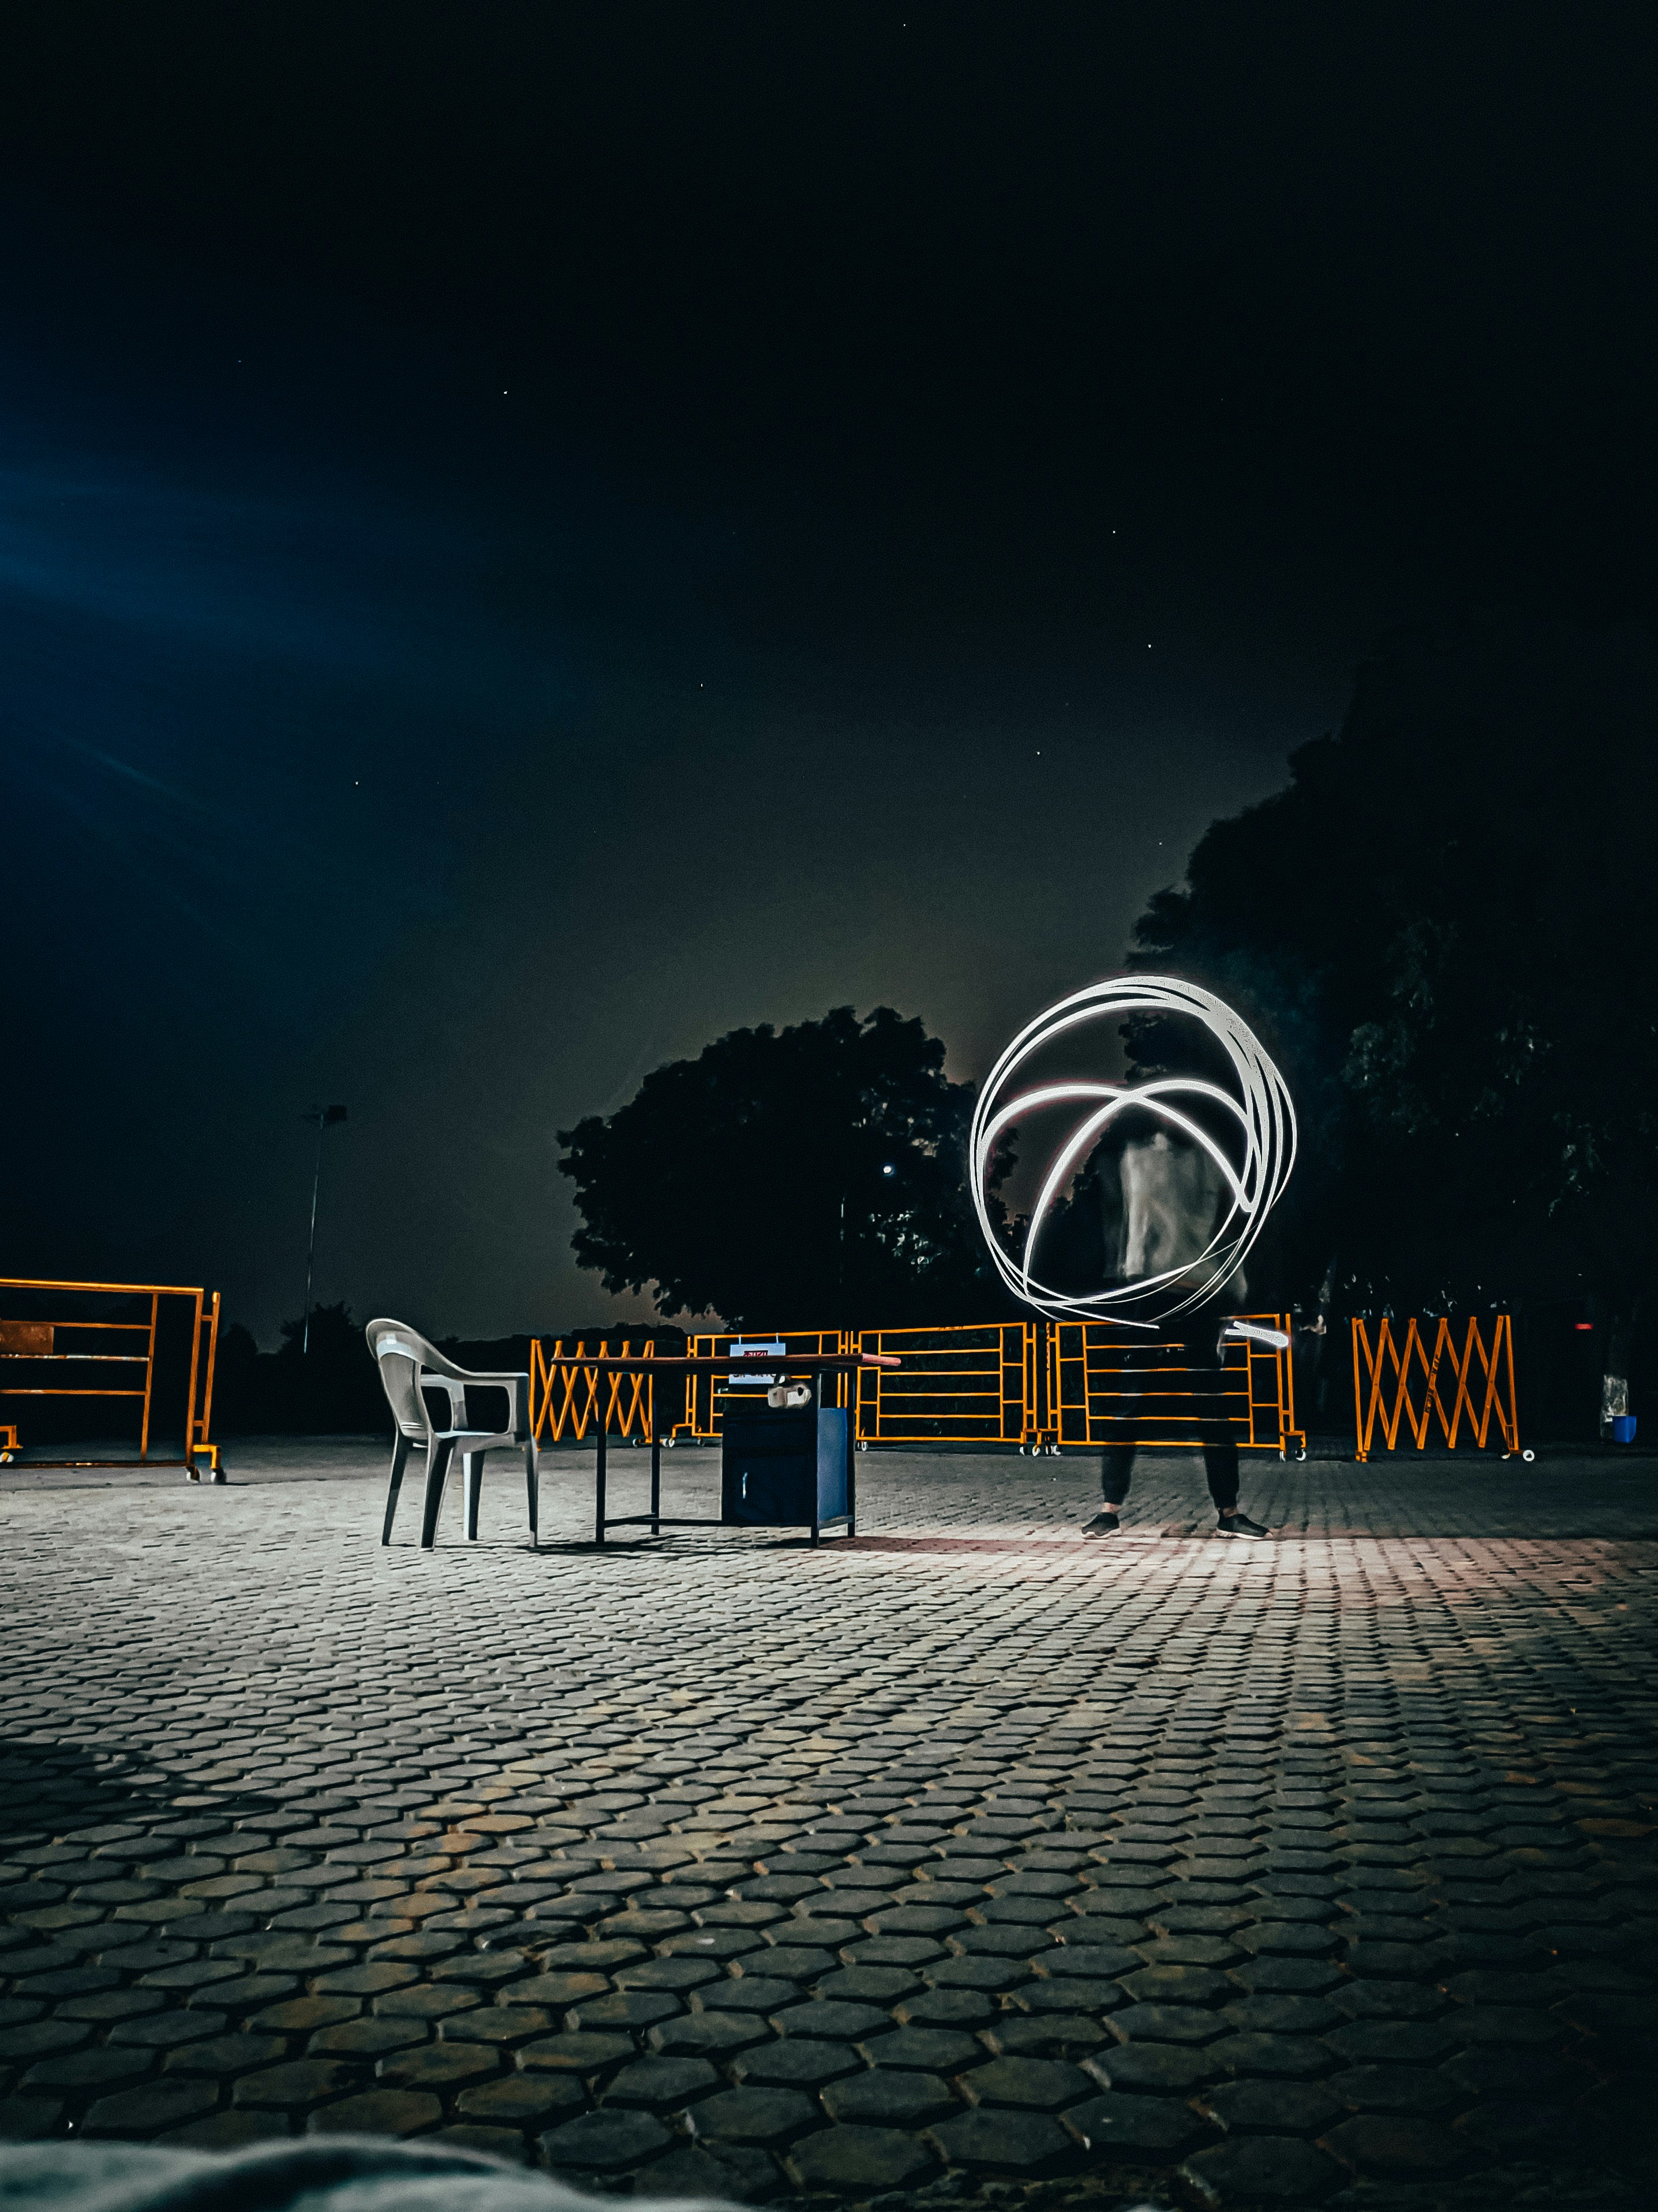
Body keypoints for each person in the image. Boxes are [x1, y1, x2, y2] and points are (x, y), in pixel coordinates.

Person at [1081, 1309, 1270, 1538]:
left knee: (1214, 1421)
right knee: (1124, 1420)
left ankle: (1229, 1514)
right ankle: (1108, 1512)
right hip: (1150, 1337)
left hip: (1192, 1335)